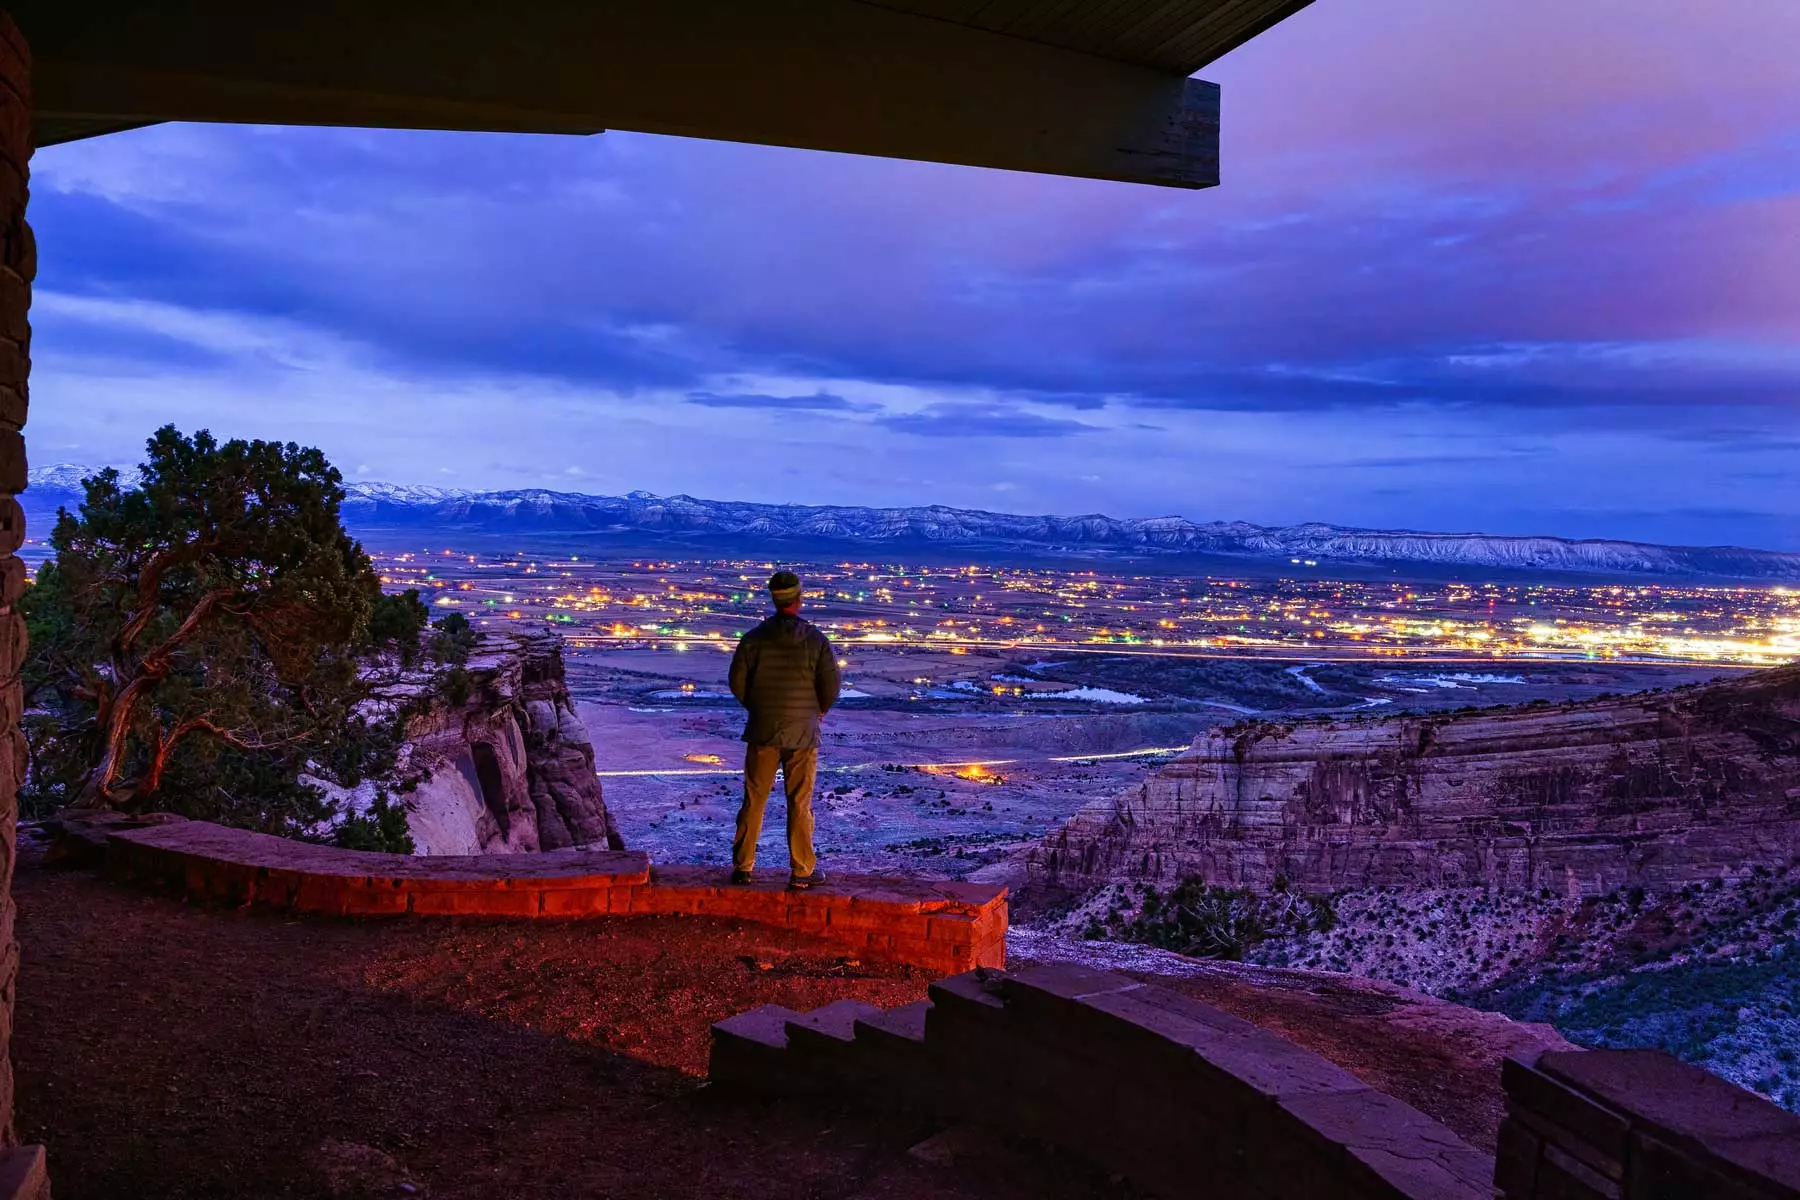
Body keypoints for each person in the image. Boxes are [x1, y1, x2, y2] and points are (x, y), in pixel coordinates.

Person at [726, 570, 841, 889]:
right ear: (799, 600)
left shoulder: (753, 639)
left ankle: (743, 867)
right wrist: (816, 711)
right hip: (803, 734)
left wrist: (760, 708)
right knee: (799, 802)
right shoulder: (816, 640)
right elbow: (831, 686)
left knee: (754, 799)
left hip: (763, 731)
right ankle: (802, 871)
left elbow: (737, 683)